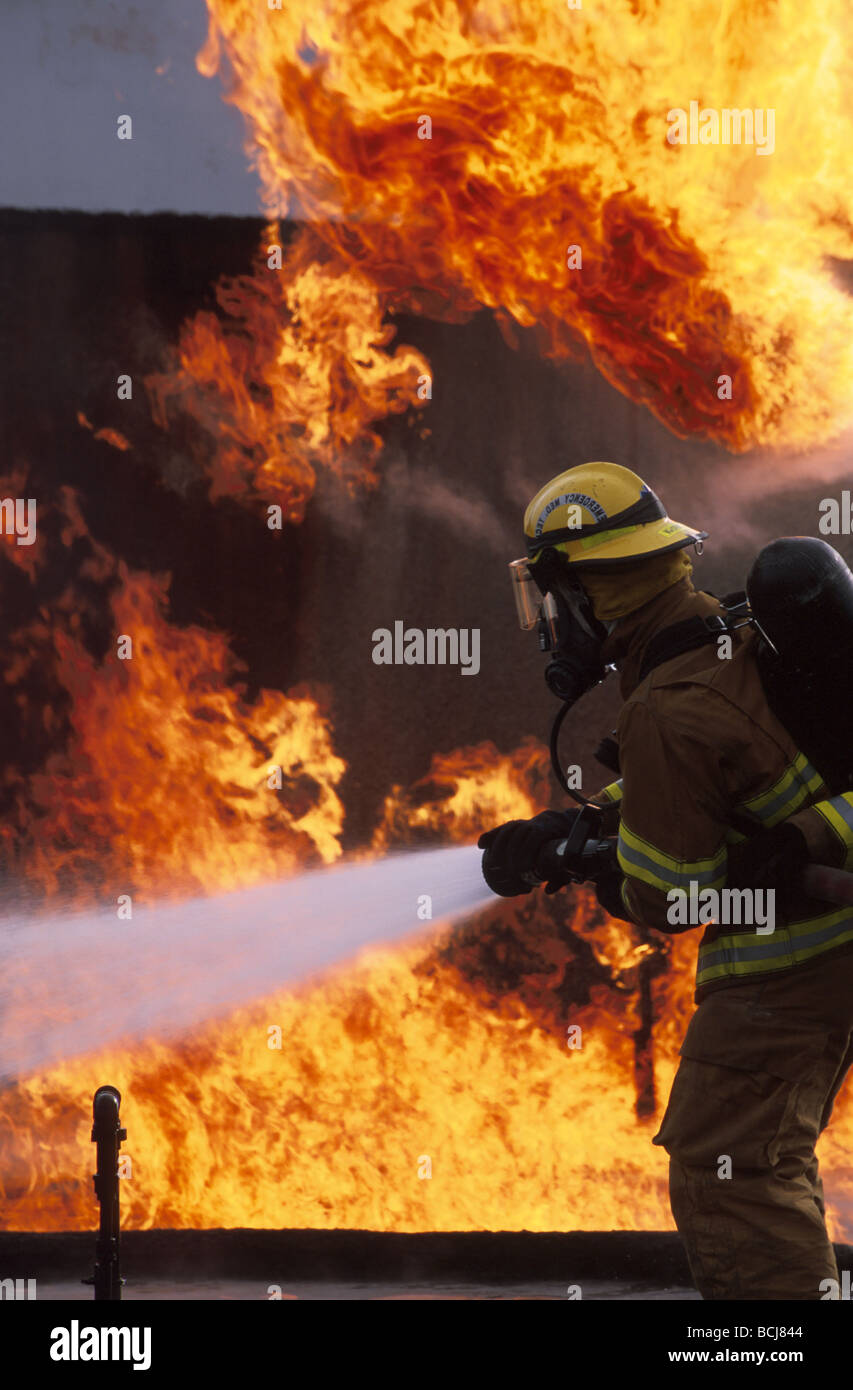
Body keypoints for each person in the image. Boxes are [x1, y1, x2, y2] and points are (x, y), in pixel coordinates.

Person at [479, 460, 853, 1300]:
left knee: (734, 1173)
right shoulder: (727, 631)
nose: (550, 626)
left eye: (553, 600)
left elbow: (669, 894)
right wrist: (569, 830)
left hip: (790, 968)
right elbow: (714, 776)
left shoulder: (662, 705)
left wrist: (590, 866)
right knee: (764, 1159)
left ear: (587, 593)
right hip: (831, 951)